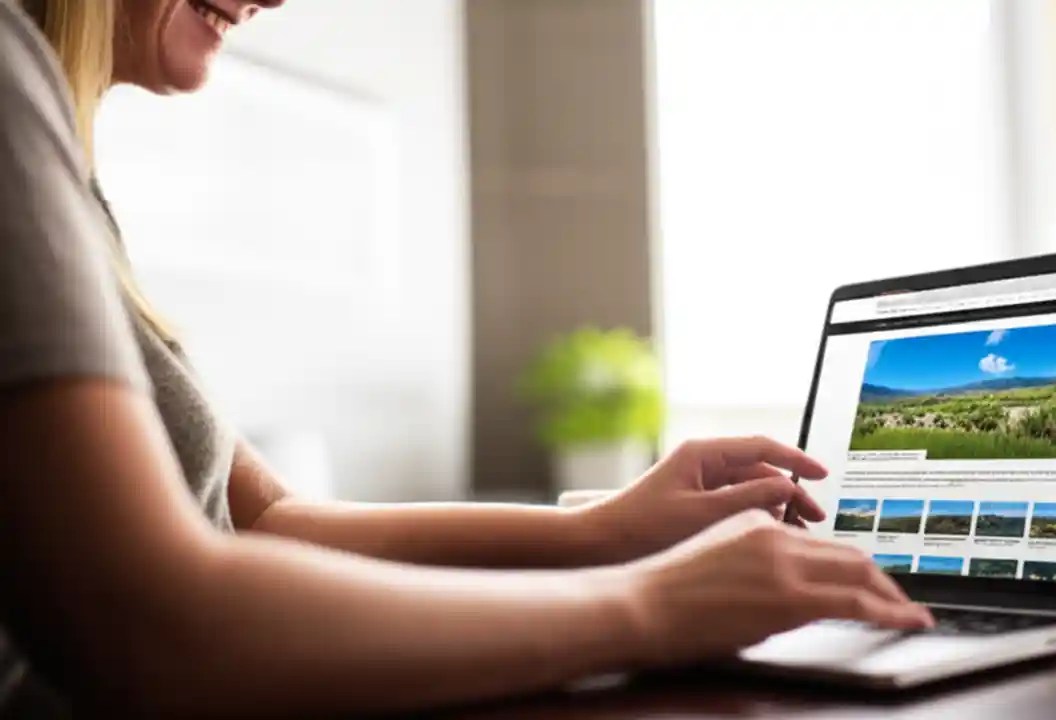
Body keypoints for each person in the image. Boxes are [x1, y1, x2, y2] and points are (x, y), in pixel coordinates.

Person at [0, 0, 933, 715]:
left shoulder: (59, 156)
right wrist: (649, 605)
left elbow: (263, 520)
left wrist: (599, 535)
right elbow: (149, 622)